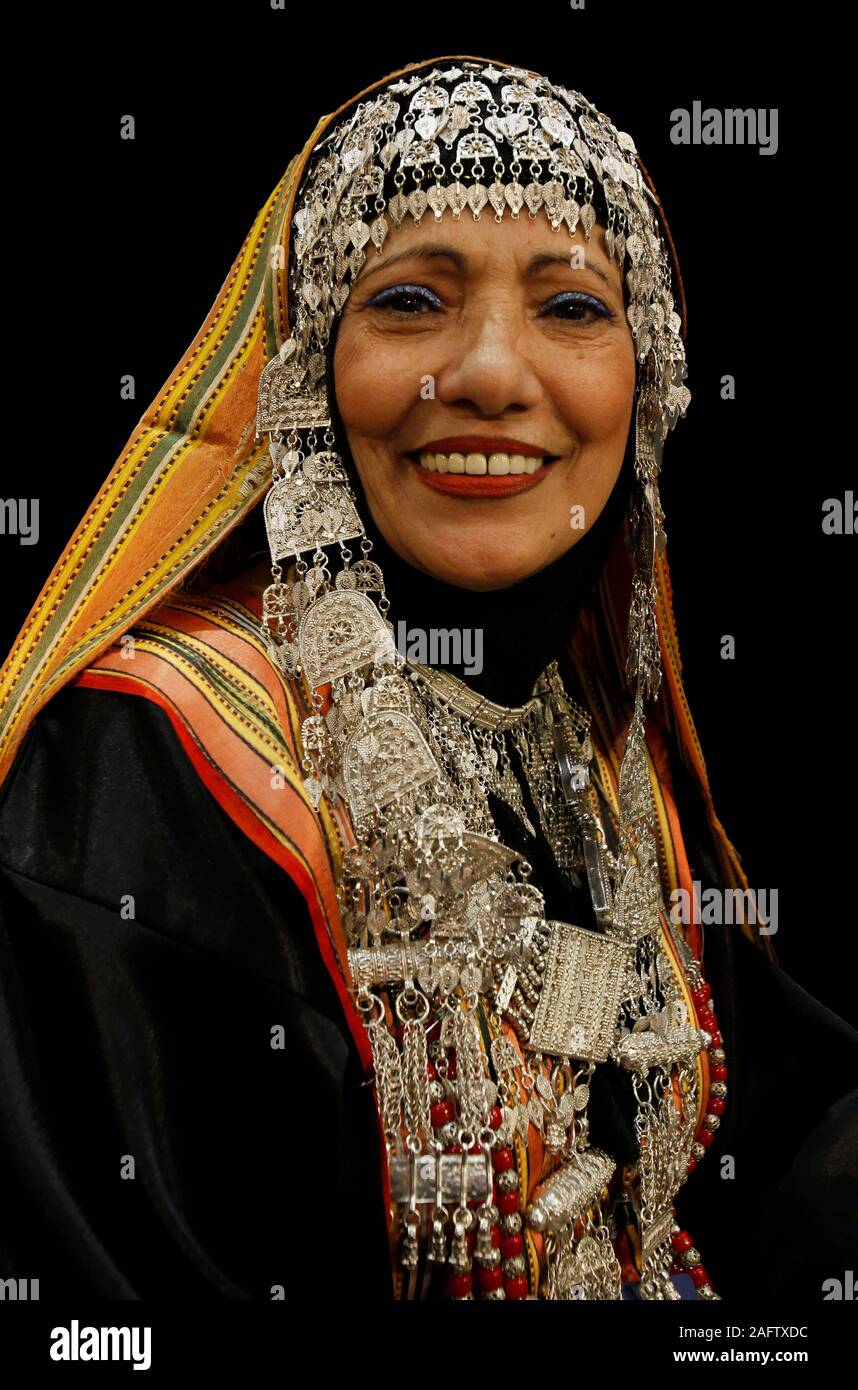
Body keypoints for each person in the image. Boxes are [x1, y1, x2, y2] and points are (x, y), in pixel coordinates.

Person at [0, 54, 855, 1303]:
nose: (493, 376)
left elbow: (780, 1139)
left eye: (571, 308)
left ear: (649, 381)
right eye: (408, 300)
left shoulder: (593, 734)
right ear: (305, 375)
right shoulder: (157, 766)